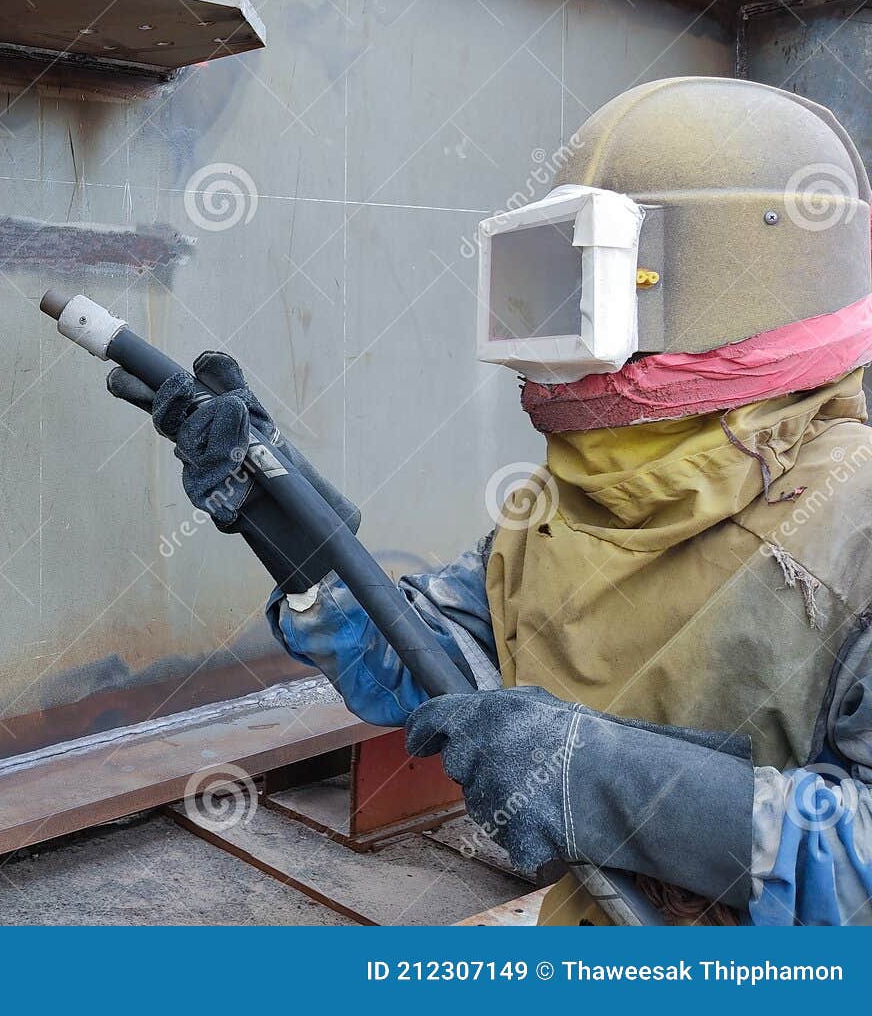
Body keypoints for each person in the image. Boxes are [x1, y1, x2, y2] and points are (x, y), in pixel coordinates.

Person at [118, 79, 872, 924]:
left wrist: (600, 778)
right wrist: (290, 530)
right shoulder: (569, 505)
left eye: (577, 277)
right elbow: (432, 674)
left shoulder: (853, 530)